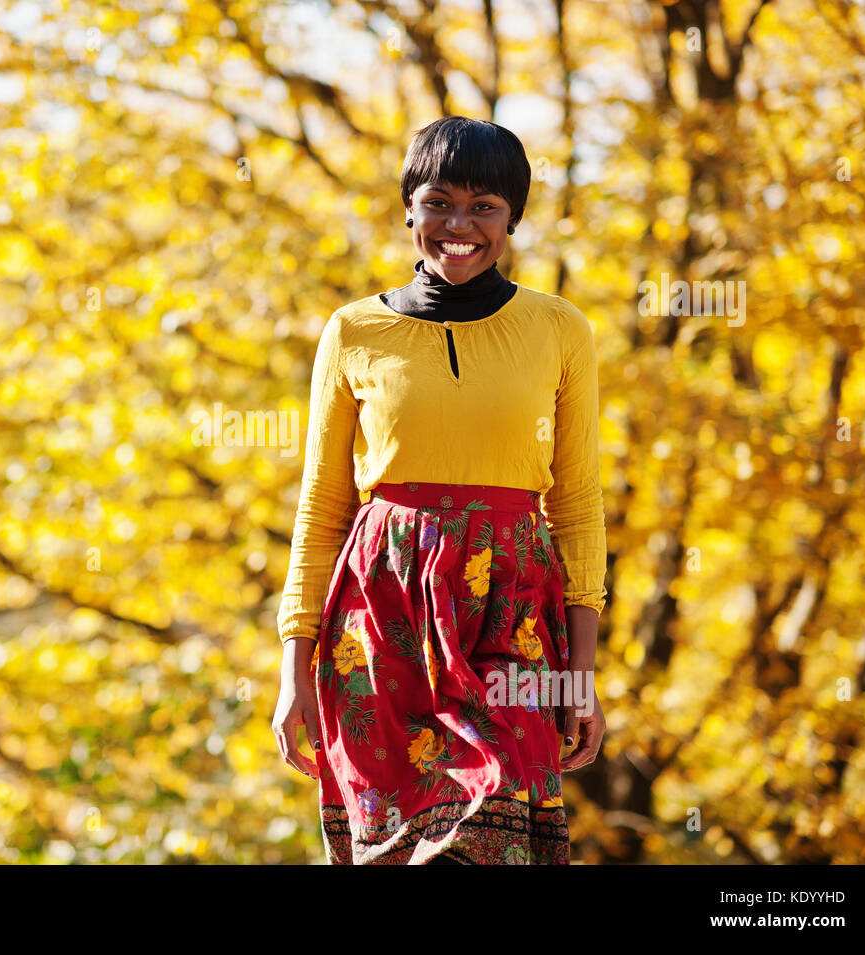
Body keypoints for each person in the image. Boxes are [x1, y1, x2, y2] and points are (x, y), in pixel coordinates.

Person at [272, 116, 607, 865]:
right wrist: (294, 674)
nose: (459, 224)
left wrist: (582, 675)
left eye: (484, 206)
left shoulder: (560, 329)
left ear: (512, 218)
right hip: (380, 616)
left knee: (499, 835)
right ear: (409, 211)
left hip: (513, 619)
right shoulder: (352, 330)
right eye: (439, 202)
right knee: (394, 848)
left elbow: (578, 505)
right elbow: (322, 509)